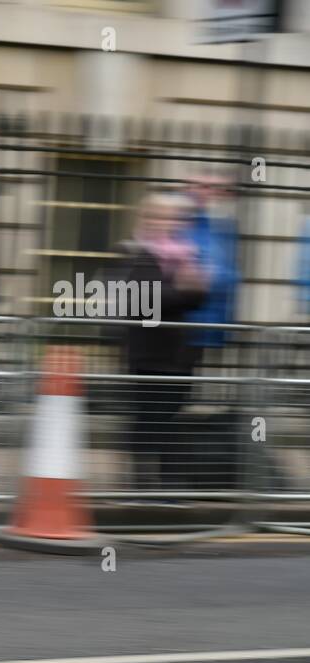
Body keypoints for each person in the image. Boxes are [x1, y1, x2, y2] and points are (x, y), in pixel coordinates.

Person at [110, 191, 210, 496]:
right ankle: (145, 486)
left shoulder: (186, 253)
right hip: (148, 354)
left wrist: (188, 290)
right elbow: (143, 301)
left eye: (174, 217)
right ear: (147, 218)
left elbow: (199, 297)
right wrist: (183, 289)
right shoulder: (134, 252)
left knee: (171, 418)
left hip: (179, 355)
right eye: (160, 216)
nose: (169, 222)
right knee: (148, 418)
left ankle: (169, 487)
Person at [181, 173, 241, 366]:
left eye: (220, 189)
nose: (212, 193)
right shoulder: (186, 220)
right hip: (185, 318)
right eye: (204, 187)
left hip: (209, 319)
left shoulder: (223, 223)